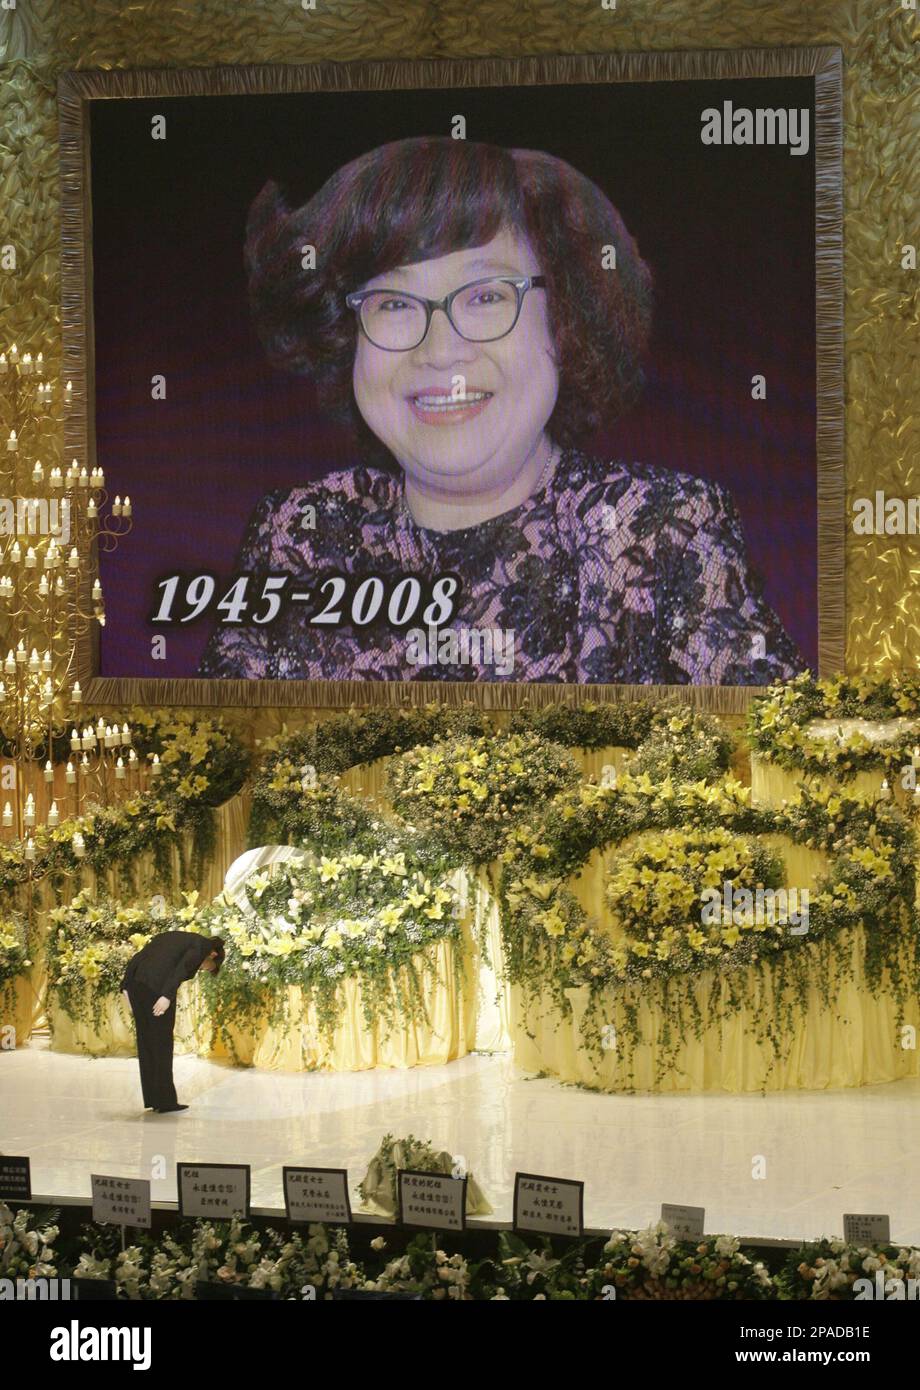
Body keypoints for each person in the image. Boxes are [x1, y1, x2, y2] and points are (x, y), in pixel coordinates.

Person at [198, 135, 804, 686]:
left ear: (566, 315)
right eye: (392, 303)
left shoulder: (665, 532)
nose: (439, 351)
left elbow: (783, 765)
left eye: (486, 296)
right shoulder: (297, 533)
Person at [120, 931, 225, 1114]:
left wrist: (126, 985)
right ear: (213, 955)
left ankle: (154, 1098)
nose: (201, 969)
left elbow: (139, 956)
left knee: (146, 1043)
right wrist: (166, 996)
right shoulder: (201, 946)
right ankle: (165, 1101)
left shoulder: (173, 937)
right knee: (161, 1043)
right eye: (207, 968)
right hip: (157, 990)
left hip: (137, 985)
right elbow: (182, 969)